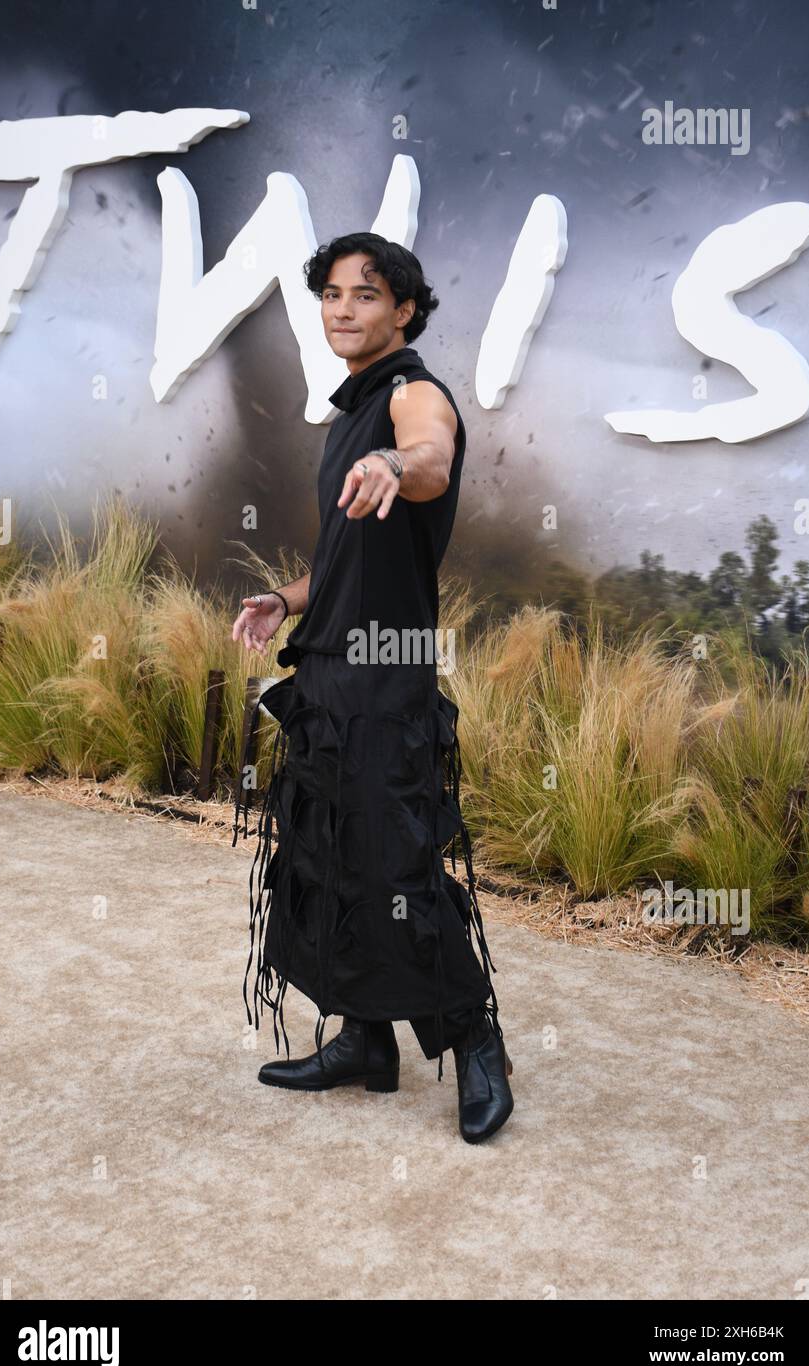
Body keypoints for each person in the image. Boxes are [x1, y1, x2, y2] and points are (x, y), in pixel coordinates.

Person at [231, 232, 513, 1143]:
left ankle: (475, 1040)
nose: (343, 308)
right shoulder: (345, 417)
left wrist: (399, 464)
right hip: (328, 673)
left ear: (405, 309)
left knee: (397, 866)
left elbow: (428, 454)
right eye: (331, 294)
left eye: (366, 293)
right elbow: (341, 555)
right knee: (332, 858)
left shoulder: (412, 395)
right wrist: (286, 596)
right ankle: (365, 1040)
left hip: (387, 679)